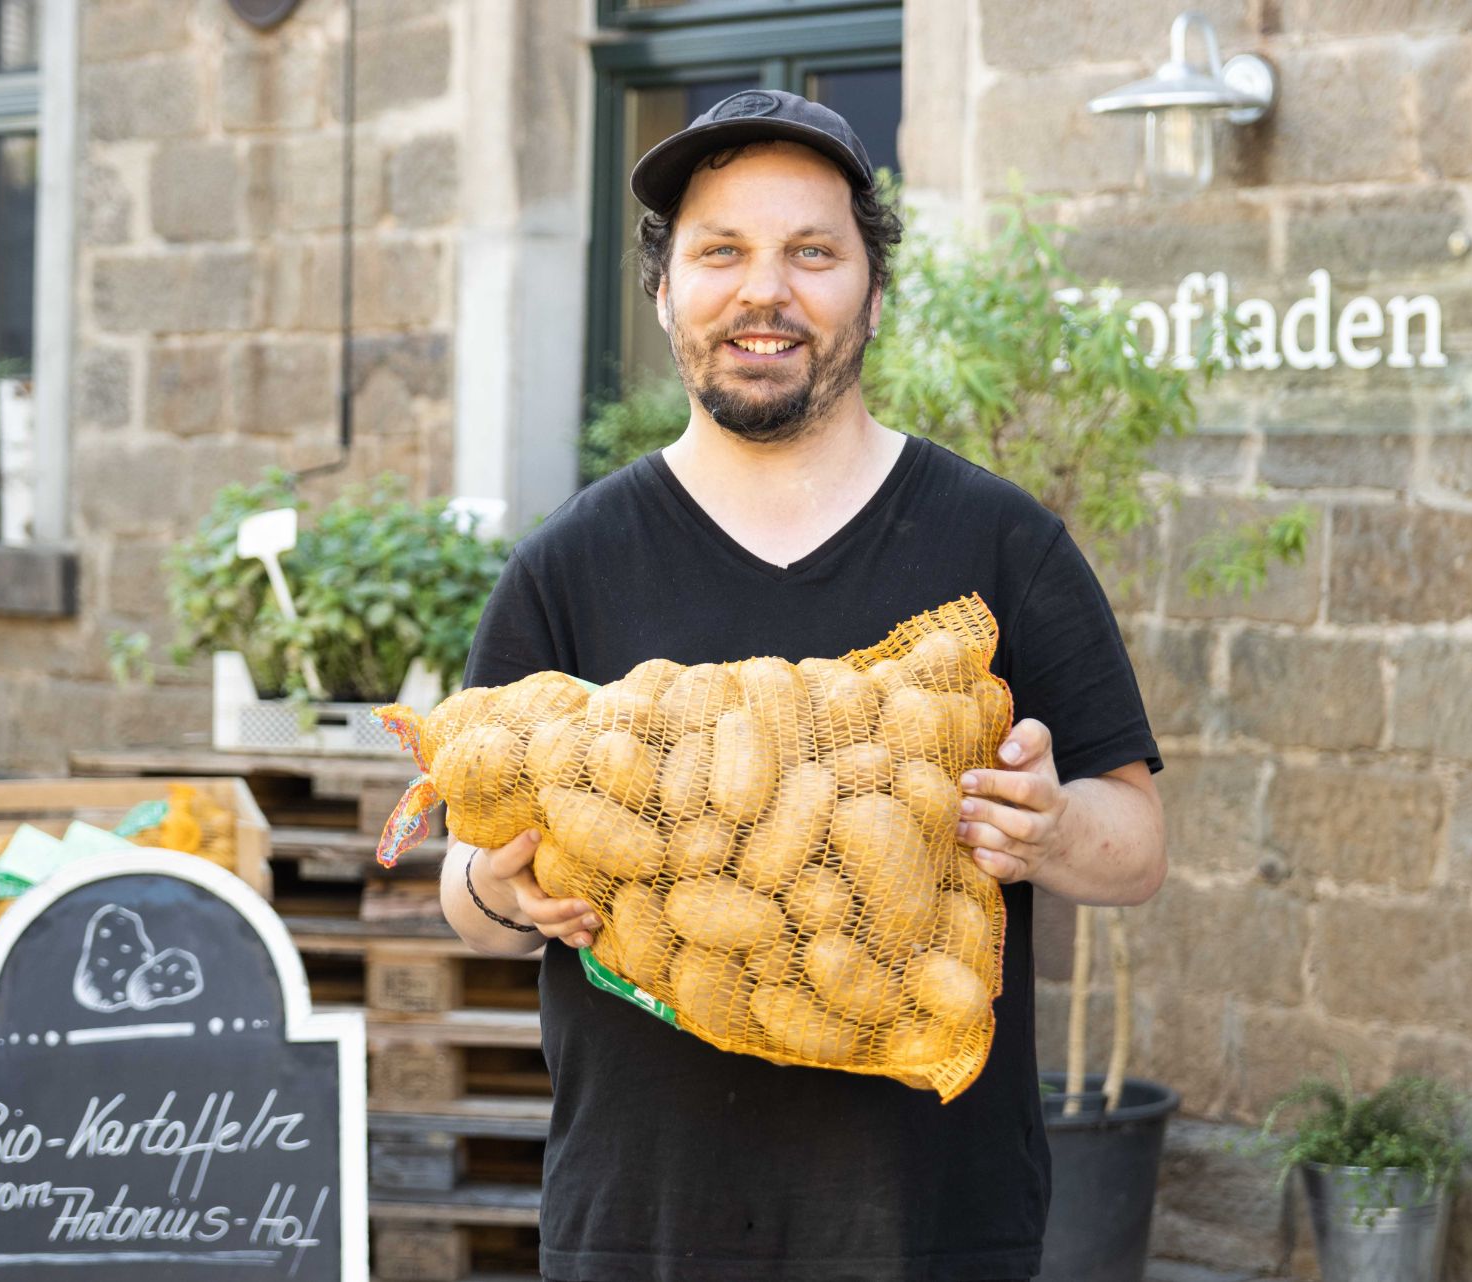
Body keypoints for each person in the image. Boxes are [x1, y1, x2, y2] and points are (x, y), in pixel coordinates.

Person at [438, 89, 1166, 1282]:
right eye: (720, 251)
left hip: (935, 1227)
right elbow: (463, 887)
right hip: (642, 1227)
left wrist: (1053, 826)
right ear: (665, 290)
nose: (763, 292)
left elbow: (1135, 846)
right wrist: (503, 893)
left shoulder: (1000, 546)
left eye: (811, 253)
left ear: (871, 292)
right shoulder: (568, 565)